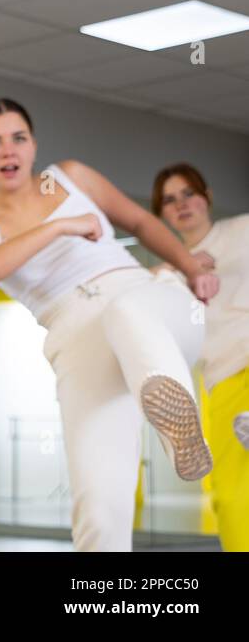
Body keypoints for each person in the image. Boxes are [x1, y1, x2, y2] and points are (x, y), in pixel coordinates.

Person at [0, 99, 218, 551]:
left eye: (18, 138)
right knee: (98, 505)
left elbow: (139, 220)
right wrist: (60, 227)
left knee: (127, 312)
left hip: (147, 303)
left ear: (33, 145)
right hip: (76, 339)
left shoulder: (70, 176)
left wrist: (191, 268)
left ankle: (179, 434)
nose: (8, 151)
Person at [150, 162, 249, 550]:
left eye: (188, 193)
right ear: (161, 214)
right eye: (170, 200)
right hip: (223, 377)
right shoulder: (168, 272)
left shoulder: (243, 231)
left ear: (206, 196)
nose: (181, 204)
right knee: (231, 494)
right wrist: (182, 266)